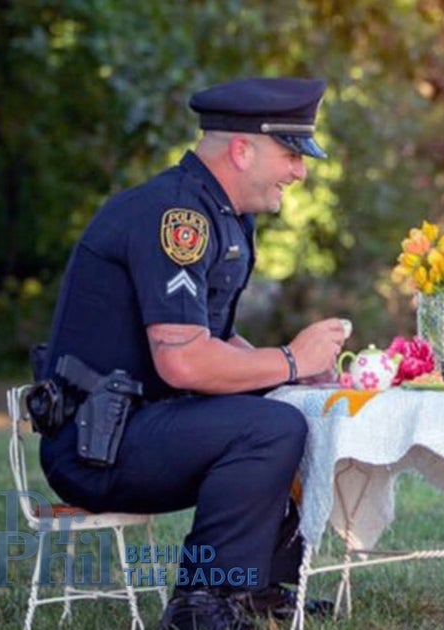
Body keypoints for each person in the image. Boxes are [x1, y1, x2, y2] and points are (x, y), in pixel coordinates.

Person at [35, 77, 345, 630]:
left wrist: (299, 375)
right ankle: (200, 606)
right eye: (291, 154)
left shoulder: (222, 214)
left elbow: (214, 339)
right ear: (242, 149)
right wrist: (291, 358)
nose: (300, 172)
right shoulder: (177, 218)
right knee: (270, 428)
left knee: (289, 410)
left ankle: (255, 590)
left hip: (144, 424)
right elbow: (182, 362)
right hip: (96, 445)